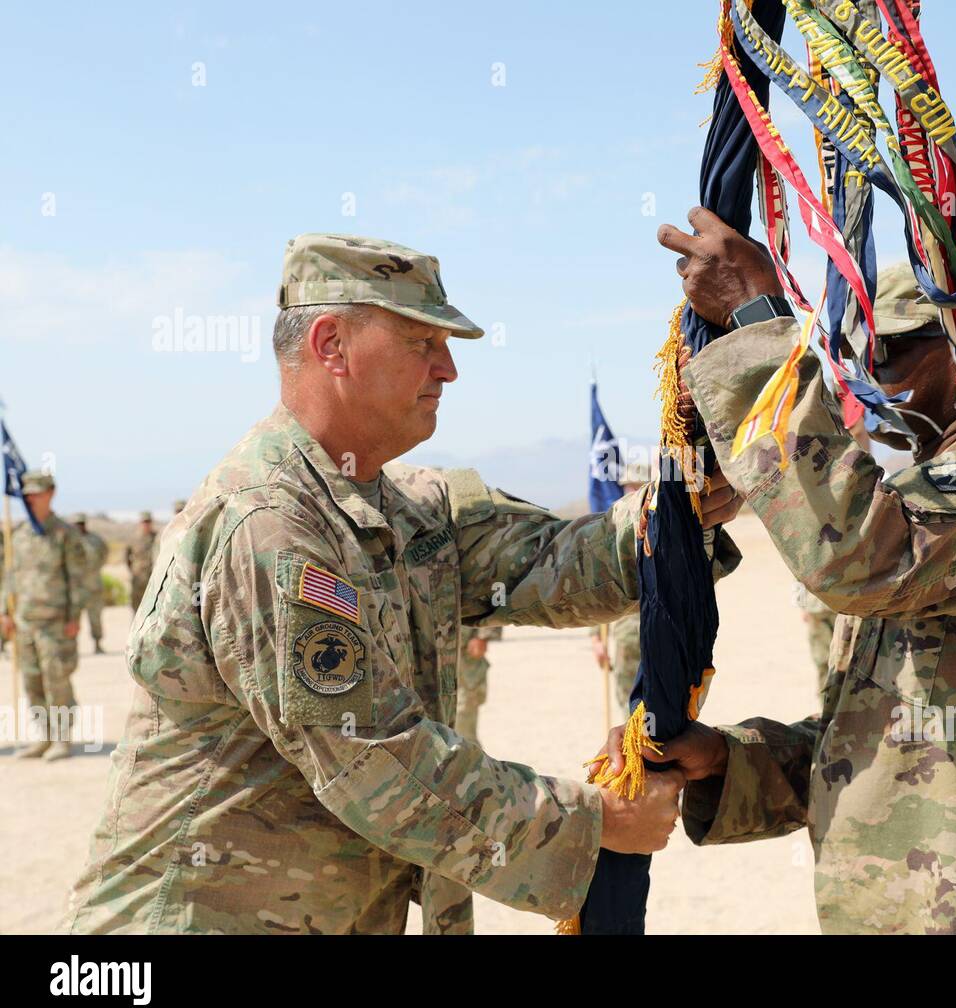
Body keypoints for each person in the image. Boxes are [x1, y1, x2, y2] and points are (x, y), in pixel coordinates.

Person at [66, 232, 741, 935]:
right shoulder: (268, 524)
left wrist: (679, 506)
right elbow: (379, 761)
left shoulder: (411, 507)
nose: (448, 369)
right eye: (423, 342)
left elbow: (558, 559)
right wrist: (595, 823)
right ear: (331, 345)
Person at [600, 213, 956, 934]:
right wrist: (728, 763)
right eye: (855, 350)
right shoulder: (925, 496)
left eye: (887, 349)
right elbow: (877, 743)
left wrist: (755, 327)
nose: (863, 371)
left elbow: (852, 555)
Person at [1, 472, 88, 761]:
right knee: (32, 682)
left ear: (51, 493)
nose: (31, 498)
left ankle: (62, 739)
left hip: (55, 622)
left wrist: (74, 616)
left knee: (56, 680)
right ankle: (44, 736)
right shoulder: (20, 534)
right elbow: (10, 577)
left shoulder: (64, 534)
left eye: (37, 492)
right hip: (25, 621)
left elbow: (77, 578)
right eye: (27, 494)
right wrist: (5, 611)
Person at [590, 459, 651, 712]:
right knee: (629, 702)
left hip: (661, 630)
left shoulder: (669, 529)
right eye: (628, 487)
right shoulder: (616, 535)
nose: (630, 493)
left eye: (637, 487)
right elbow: (601, 586)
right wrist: (596, 635)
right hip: (626, 634)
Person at [454, 625, 501, 744]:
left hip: (465, 643)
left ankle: (468, 757)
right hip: (429, 641)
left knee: (464, 708)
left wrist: (483, 636)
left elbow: (494, 605)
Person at [73, 513, 108, 655]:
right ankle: (73, 647)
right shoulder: (70, 540)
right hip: (76, 588)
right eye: (77, 524)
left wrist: (95, 570)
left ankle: (97, 643)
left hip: (93, 586)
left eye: (81, 524)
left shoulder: (95, 540)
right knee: (74, 618)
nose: (79, 527)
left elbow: (104, 554)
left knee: (95, 617)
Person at [124, 512, 155, 611]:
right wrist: (133, 570)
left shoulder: (157, 537)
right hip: (137, 577)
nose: (146, 524)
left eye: (148, 521)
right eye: (144, 521)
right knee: (136, 603)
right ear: (140, 523)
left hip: (153, 576)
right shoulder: (133, 538)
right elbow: (126, 556)